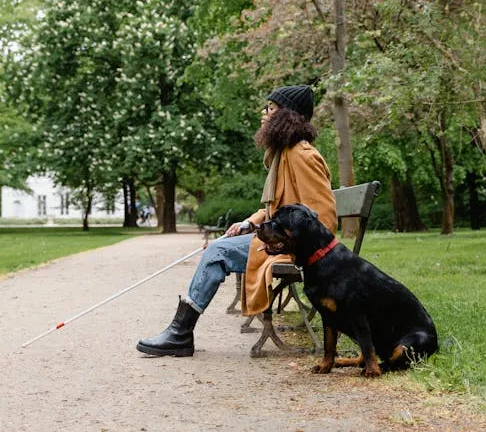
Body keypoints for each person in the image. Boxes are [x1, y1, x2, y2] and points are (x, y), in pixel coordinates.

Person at [136, 85, 338, 357]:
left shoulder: (302, 156)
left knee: (217, 251)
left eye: (271, 109)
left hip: (296, 252)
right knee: (220, 247)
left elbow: (323, 220)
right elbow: (278, 208)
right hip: (281, 243)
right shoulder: (285, 154)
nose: (263, 114)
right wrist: (249, 223)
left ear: (288, 116)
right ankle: (180, 332)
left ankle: (180, 334)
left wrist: (283, 243)